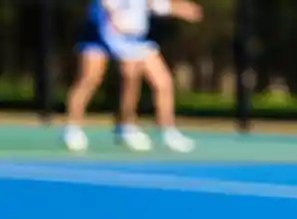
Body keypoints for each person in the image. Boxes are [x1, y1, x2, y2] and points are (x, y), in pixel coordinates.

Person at [62, 0, 204, 154]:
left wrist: (177, 9)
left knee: (161, 81)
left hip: (134, 37)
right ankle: (73, 129)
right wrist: (113, 16)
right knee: (90, 79)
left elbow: (152, 4)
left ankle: (149, 130)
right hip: (101, 33)